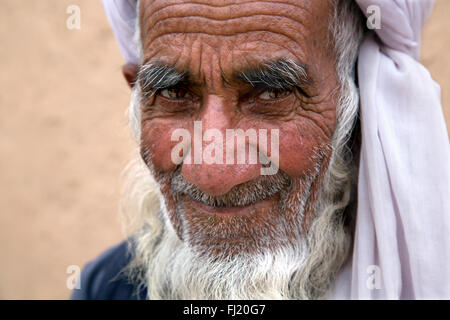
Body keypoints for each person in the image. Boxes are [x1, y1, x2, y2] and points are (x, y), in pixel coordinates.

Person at [71, 0, 450, 300]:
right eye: (174, 92)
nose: (214, 176)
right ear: (137, 94)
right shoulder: (106, 289)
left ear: (363, 98)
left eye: (271, 94)